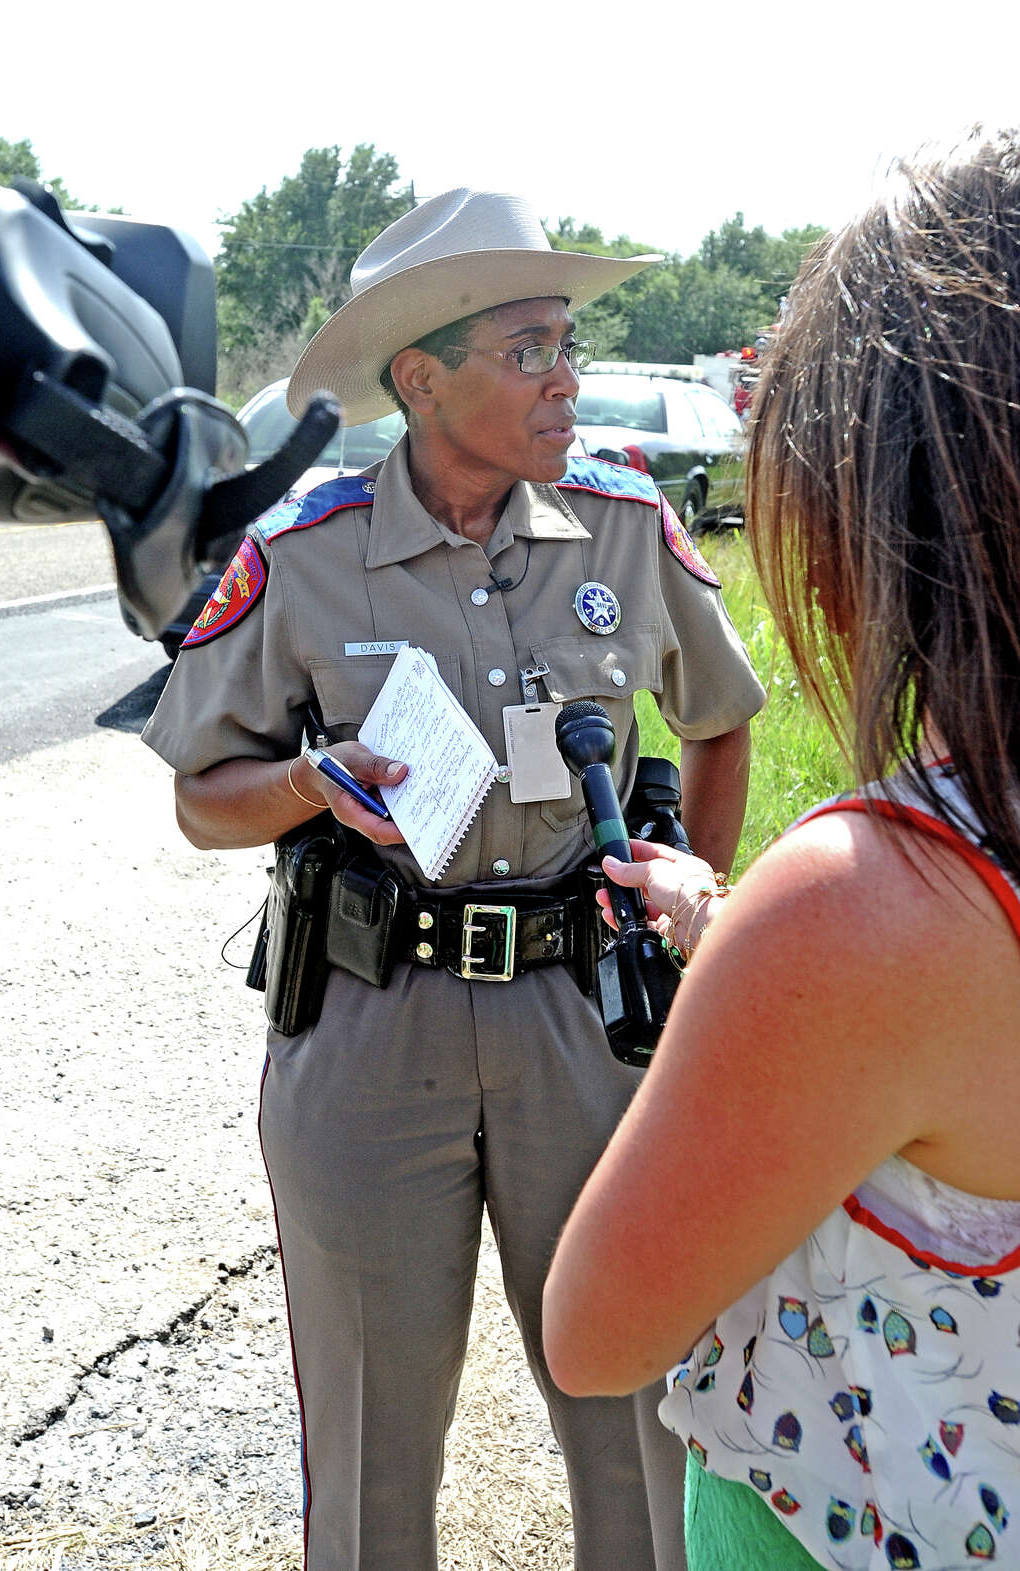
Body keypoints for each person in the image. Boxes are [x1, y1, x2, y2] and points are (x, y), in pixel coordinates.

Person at [143, 187, 765, 1571]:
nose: (567, 375)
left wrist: (691, 889)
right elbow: (201, 793)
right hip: (374, 1027)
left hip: (584, 1027)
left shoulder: (619, 521)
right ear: (421, 378)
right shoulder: (302, 556)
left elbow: (722, 717)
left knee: (641, 1414)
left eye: (566, 343)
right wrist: (310, 788)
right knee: (370, 1441)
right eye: (529, 348)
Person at [542, 133, 1020, 1571]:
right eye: (528, 349)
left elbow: (598, 1331)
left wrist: (765, 962)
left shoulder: (875, 904)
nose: (560, 377)